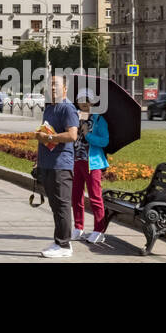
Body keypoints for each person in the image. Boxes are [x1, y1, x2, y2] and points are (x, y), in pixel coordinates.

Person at [37, 75, 80, 258]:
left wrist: (49, 138)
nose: (52, 88)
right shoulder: (49, 108)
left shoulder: (67, 108)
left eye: (56, 85)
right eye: (50, 85)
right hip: (47, 162)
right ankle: (58, 240)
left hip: (61, 164)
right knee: (55, 206)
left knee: (62, 205)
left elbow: (72, 135)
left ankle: (64, 245)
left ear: (65, 89)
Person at [71, 89, 110, 244]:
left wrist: (87, 134)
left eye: (87, 99)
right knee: (76, 196)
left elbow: (104, 141)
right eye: (81, 99)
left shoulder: (99, 120)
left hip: (92, 163)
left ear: (93, 102)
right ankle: (78, 227)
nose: (84, 103)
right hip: (77, 161)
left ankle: (99, 230)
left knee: (95, 197)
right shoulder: (75, 118)